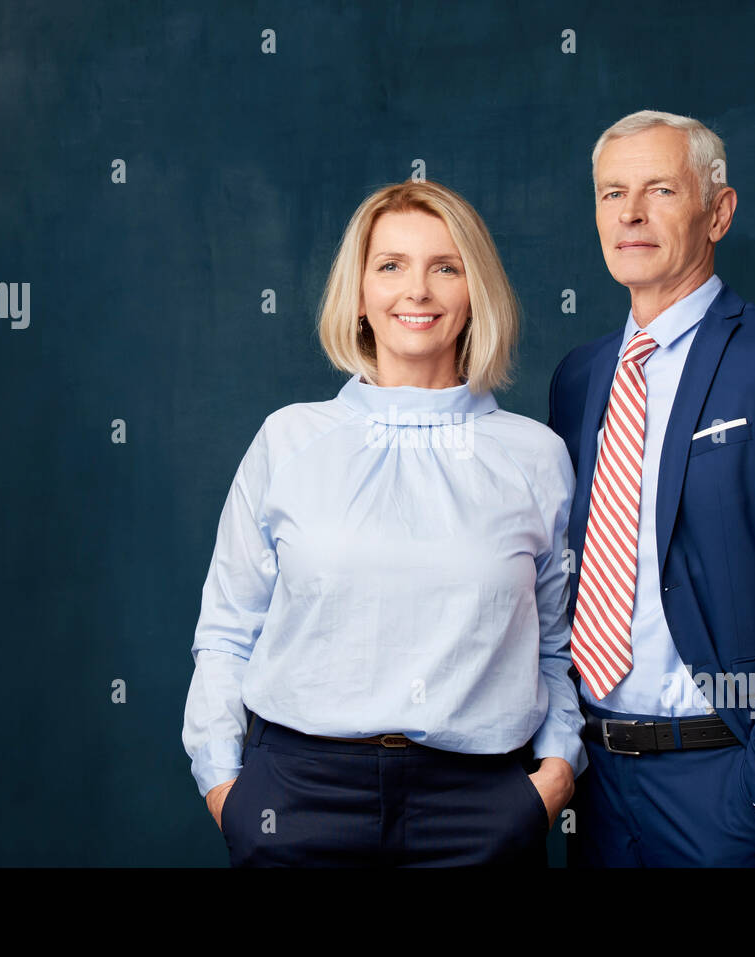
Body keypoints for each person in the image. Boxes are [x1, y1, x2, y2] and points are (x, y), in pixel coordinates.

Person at [182, 179, 586, 866]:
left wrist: (553, 777)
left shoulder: (536, 456)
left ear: (475, 290)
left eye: (445, 267)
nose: (417, 291)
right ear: (361, 293)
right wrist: (225, 785)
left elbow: (555, 645)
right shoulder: (288, 439)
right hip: (300, 797)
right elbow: (226, 631)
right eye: (391, 265)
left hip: (480, 805)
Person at [548, 110, 755, 866]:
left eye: (659, 189)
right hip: (596, 782)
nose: (629, 213)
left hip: (725, 779)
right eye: (610, 193)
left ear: (718, 212)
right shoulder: (579, 377)